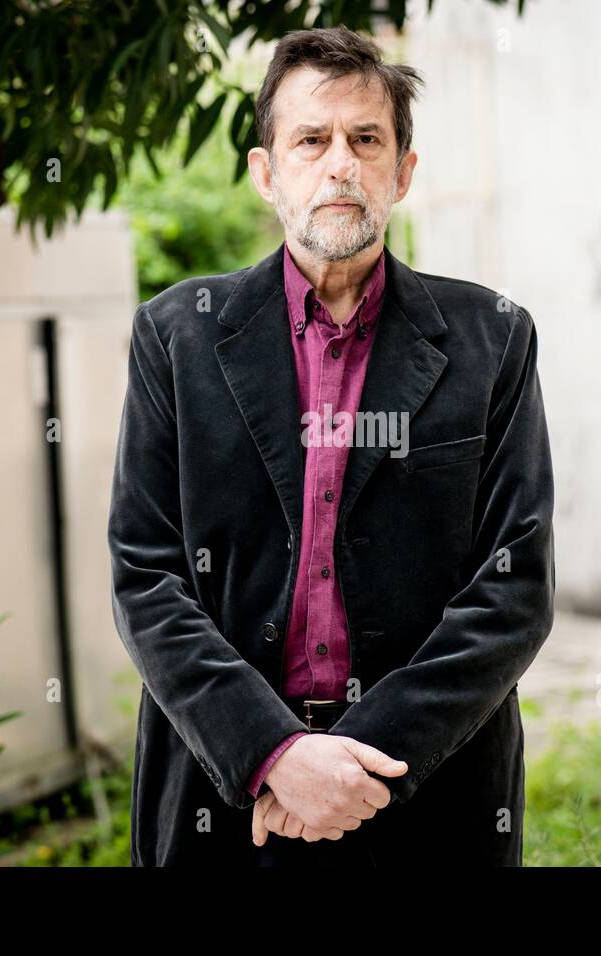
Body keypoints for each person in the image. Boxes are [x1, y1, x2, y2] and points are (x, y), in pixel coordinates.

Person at [108, 24, 555, 867]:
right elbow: (146, 577)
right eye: (311, 139)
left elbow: (515, 590)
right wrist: (275, 755)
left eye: (366, 140)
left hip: (429, 793)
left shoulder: (493, 339)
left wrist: (355, 766)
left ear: (404, 171)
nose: (340, 162)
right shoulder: (175, 337)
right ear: (265, 171)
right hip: (224, 800)